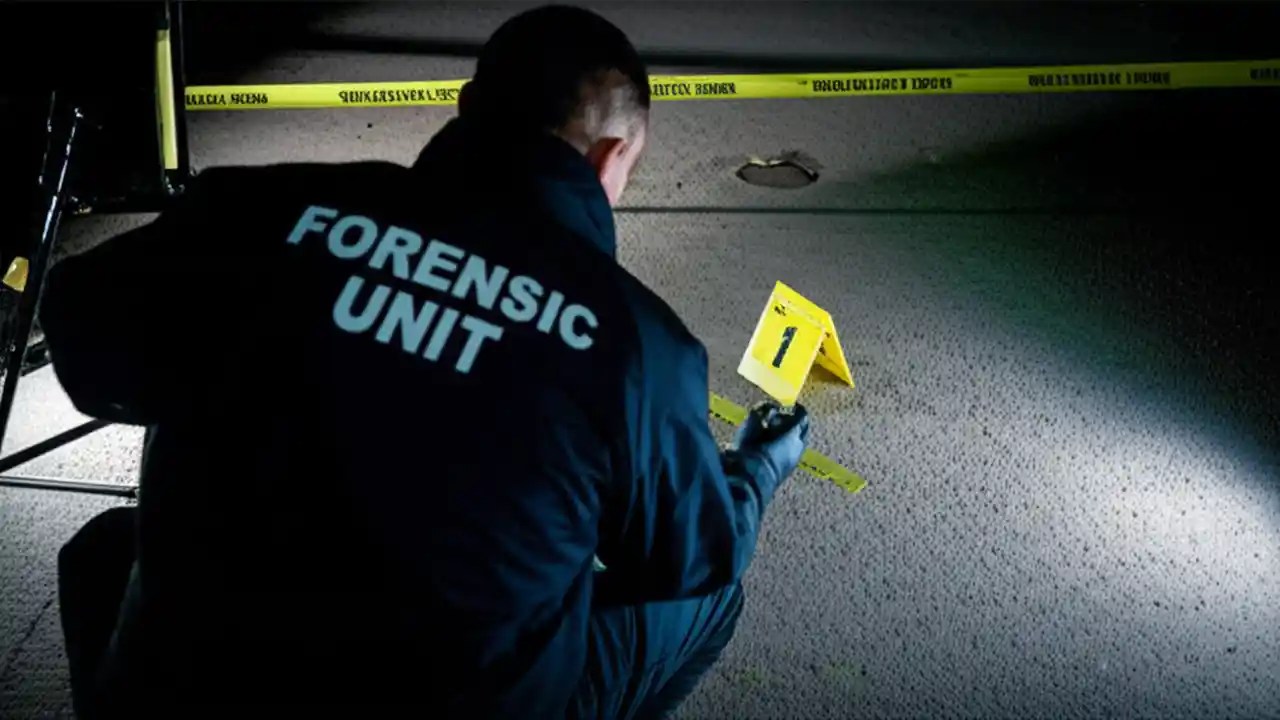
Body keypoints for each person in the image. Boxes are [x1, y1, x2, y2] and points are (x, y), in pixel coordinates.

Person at [42, 5, 810, 718]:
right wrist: (758, 468)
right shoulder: (639, 343)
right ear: (613, 157)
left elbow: (85, 350)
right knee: (713, 599)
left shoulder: (247, 210)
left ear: (469, 106)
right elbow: (691, 559)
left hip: (205, 688)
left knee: (106, 549)